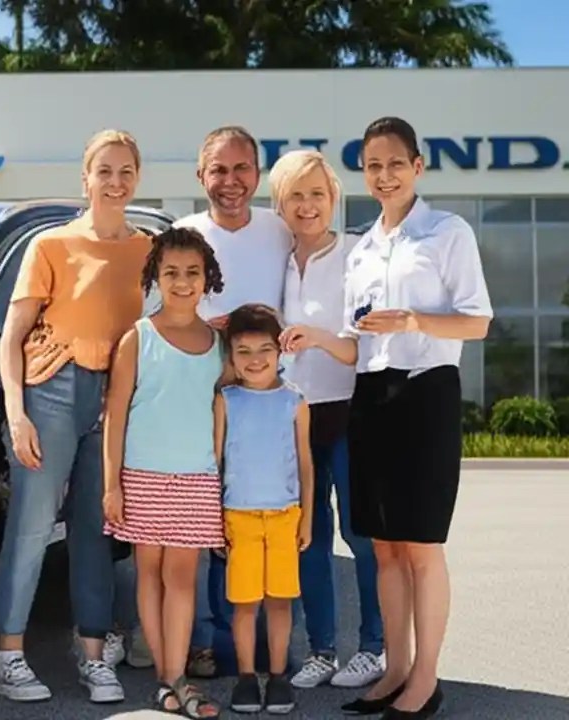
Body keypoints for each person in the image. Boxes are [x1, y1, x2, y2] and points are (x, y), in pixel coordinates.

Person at [0, 128, 155, 704]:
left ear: (137, 179)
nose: (114, 182)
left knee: (96, 528)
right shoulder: (50, 246)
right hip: (51, 391)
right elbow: (10, 339)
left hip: (113, 397)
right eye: (104, 171)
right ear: (84, 179)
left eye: (125, 171)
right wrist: (17, 415)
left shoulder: (148, 251)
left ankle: (92, 656)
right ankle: (8, 656)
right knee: (33, 526)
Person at [337, 117, 492, 719]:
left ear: (418, 166)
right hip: (371, 397)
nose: (383, 176)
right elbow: (358, 341)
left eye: (394, 163)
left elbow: (477, 323)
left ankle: (426, 679)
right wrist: (320, 341)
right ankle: (394, 671)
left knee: (422, 546)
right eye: (373, 166)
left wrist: (414, 321)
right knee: (384, 548)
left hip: (426, 394)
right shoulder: (362, 249)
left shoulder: (447, 232)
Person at [174, 126, 293, 679]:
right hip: (201, 400)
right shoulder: (184, 233)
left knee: (259, 518)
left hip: (266, 405)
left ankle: (266, 646)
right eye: (218, 170)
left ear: (258, 174)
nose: (231, 181)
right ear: (202, 176)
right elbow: (162, 319)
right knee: (204, 523)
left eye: (242, 168)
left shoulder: (278, 230)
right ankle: (202, 640)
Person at [270, 149, 387, 691]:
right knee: (308, 539)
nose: (307, 204)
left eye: (317, 193)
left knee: (360, 535)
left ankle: (372, 647)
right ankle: (320, 649)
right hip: (292, 419)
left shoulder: (356, 255)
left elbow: (362, 350)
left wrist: (315, 337)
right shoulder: (274, 258)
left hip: (348, 412)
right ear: (280, 203)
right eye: (296, 194)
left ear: (334, 198)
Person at [103, 226, 226, 719]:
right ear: (156, 275)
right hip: (142, 476)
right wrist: (111, 483)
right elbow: (115, 413)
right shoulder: (138, 338)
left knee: (182, 580)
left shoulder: (220, 343)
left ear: (207, 279)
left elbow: (225, 417)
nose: (181, 282)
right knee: (148, 576)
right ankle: (166, 680)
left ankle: (176, 676)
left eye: (192, 273)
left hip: (196, 479)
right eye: (171, 272)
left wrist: (223, 482)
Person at [214, 303, 313, 715]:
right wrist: (214, 518)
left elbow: (306, 462)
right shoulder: (227, 400)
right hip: (239, 515)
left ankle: (277, 677)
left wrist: (307, 515)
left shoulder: (294, 401)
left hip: (284, 515)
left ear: (280, 351)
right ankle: (245, 678)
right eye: (243, 351)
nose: (255, 360)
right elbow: (215, 463)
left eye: (264, 350)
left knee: (279, 601)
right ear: (231, 357)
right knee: (244, 603)